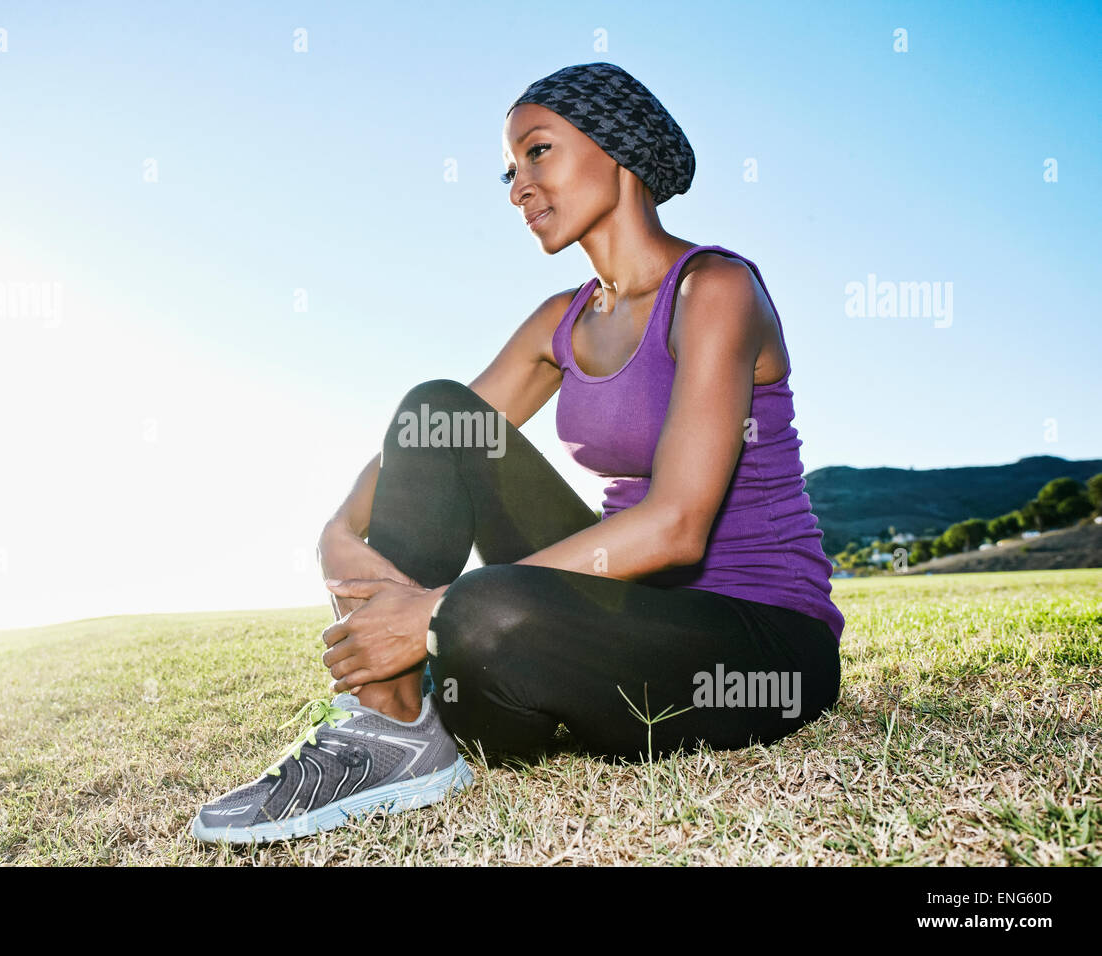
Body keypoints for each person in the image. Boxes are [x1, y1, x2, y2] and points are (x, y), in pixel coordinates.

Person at [191, 62, 844, 846]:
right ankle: (392, 728)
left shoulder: (716, 289)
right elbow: (427, 438)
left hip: (761, 645)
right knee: (437, 408)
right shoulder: (557, 323)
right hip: (611, 626)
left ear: (617, 148)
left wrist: (433, 612)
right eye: (510, 170)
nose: (517, 189)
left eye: (538, 153)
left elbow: (677, 527)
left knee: (483, 611)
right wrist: (336, 528)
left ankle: (448, 662)